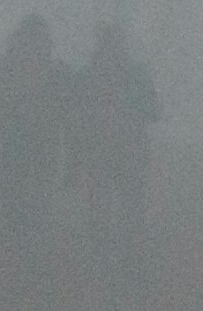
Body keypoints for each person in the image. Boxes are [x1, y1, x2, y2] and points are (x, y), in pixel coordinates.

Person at [0, 12, 64, 246]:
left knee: (36, 204)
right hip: (10, 147)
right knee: (16, 204)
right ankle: (21, 251)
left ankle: (29, 251)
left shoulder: (53, 74)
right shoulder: (0, 73)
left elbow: (66, 113)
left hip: (40, 149)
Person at [64, 19, 159, 244]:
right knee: (103, 213)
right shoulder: (90, 78)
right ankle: (107, 258)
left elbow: (153, 111)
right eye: (112, 44)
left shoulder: (134, 76)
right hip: (104, 156)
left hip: (126, 155)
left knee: (130, 213)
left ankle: (129, 257)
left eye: (117, 44)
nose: (115, 50)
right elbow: (77, 118)